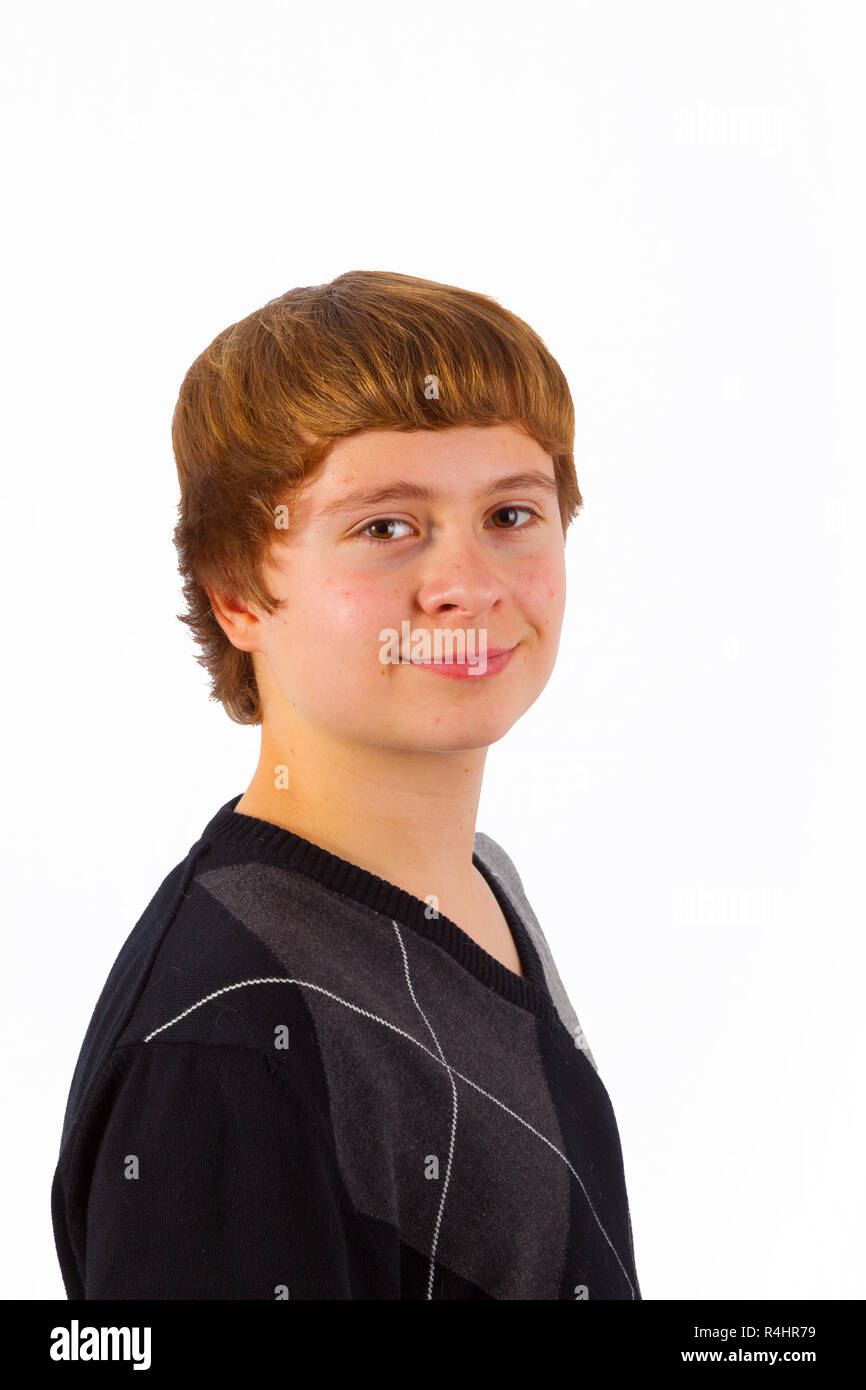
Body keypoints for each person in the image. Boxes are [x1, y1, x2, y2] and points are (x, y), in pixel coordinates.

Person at [50, 269, 641, 1300]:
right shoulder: (223, 1051)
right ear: (235, 591)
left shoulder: (476, 881)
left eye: (510, 513)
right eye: (385, 526)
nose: (467, 582)